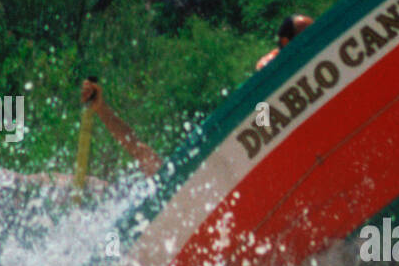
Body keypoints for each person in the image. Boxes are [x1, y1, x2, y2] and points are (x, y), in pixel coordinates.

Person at [81, 13, 314, 177]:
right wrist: (100, 108)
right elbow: (136, 148)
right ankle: (101, 108)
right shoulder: (269, 67)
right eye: (309, 33)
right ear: (286, 42)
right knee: (146, 156)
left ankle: (102, 108)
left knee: (146, 156)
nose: (315, 36)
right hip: (245, 150)